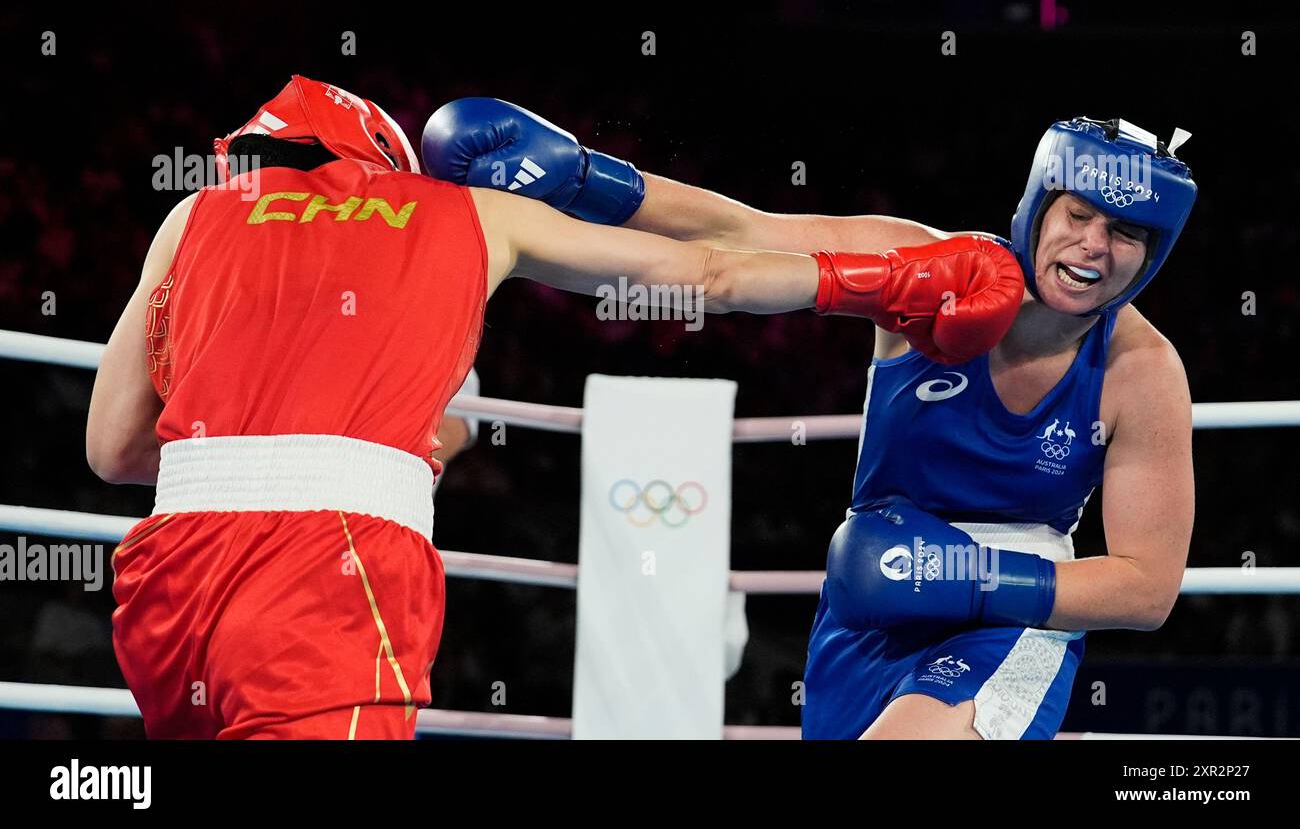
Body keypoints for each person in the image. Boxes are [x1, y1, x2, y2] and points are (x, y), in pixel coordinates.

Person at [86, 75, 1021, 739]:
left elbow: (113, 448)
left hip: (172, 577)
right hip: (330, 569)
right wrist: (885, 282)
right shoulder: (468, 210)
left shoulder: (194, 214)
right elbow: (709, 273)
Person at [423, 102, 1197, 740]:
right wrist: (585, 179)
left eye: (1126, 233)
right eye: (1079, 215)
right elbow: (742, 236)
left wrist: (961, 577)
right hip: (867, 598)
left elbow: (1146, 588)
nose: (1094, 247)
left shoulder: (1143, 372)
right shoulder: (918, 267)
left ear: (1153, 254)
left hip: (1018, 615)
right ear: (1040, 207)